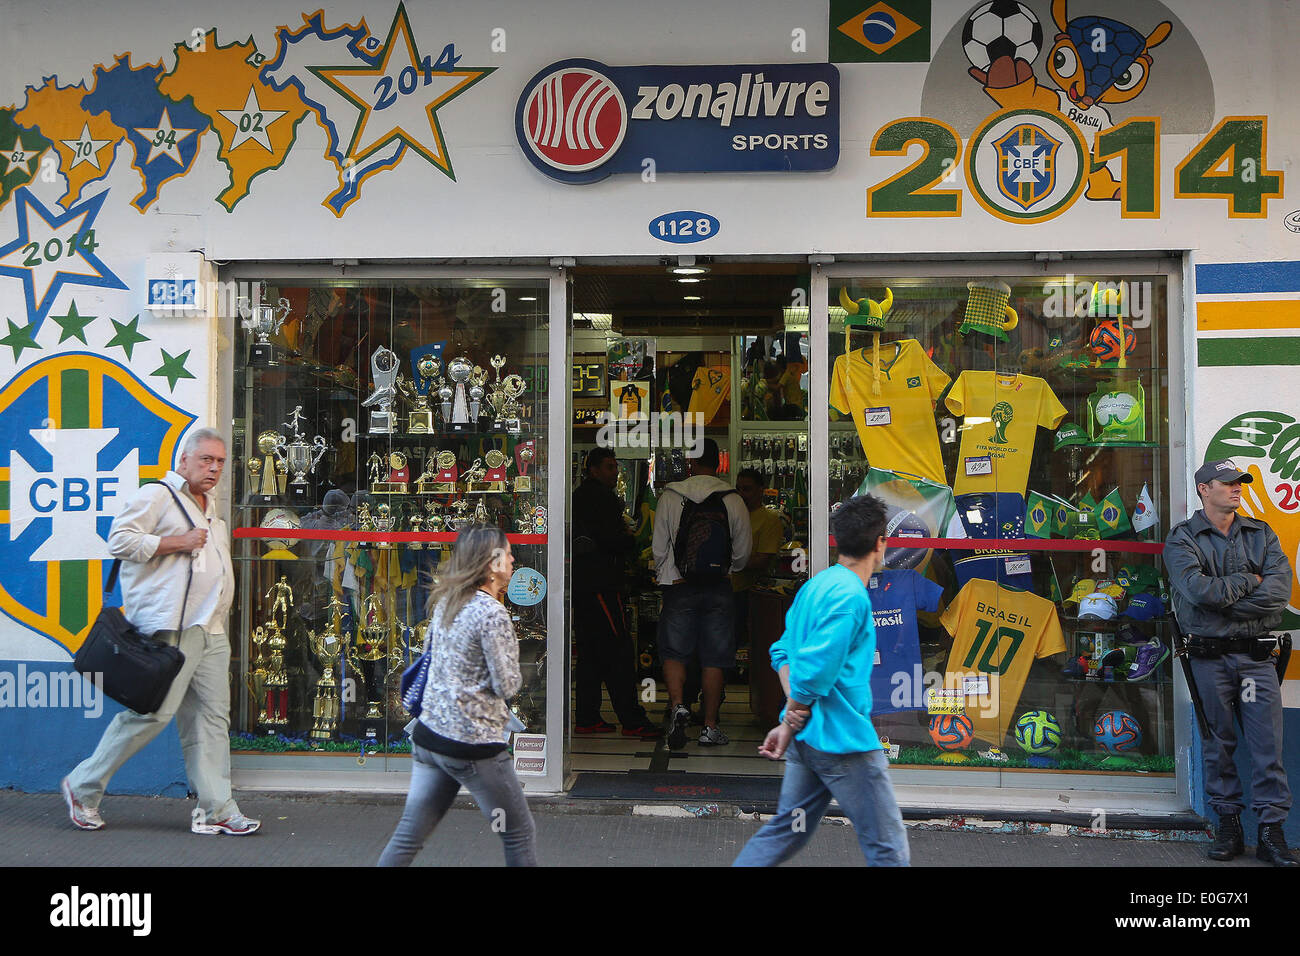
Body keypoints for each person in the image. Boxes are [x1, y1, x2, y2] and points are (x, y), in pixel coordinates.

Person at [61, 427, 260, 835]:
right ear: (183, 460)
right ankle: (82, 787)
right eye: (206, 459)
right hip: (171, 630)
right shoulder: (157, 496)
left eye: (220, 461)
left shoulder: (209, 505)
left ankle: (216, 809)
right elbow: (120, 540)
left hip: (211, 630)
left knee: (210, 719)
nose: (214, 468)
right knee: (152, 715)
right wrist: (177, 541)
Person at [733, 494, 909, 867]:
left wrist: (790, 719)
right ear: (880, 544)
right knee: (887, 847)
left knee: (786, 832)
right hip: (843, 743)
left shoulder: (816, 586)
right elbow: (814, 671)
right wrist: (794, 712)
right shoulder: (851, 597)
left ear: (838, 540)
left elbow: (783, 652)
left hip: (807, 740)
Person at [1164, 458, 1298, 866]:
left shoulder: (1261, 534)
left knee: (1266, 749)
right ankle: (1229, 827)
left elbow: (1277, 596)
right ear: (1204, 489)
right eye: (1227, 483)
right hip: (1208, 659)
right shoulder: (1183, 539)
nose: (1236, 488)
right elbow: (1198, 593)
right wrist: (1249, 583)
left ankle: (1272, 833)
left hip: (1256, 660)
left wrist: (1228, 601)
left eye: (1239, 482)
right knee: (1218, 745)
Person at [378, 524, 537, 866]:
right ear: (493, 562)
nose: (512, 558)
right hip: (473, 746)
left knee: (409, 835)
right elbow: (507, 685)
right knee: (518, 833)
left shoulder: (447, 600)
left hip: (429, 738)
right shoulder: (492, 613)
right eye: (507, 552)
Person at [652, 438, 751, 749]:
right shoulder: (732, 499)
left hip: (679, 587)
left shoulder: (671, 495)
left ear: (690, 463)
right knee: (715, 657)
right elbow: (743, 552)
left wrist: (670, 573)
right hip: (718, 587)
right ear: (718, 463)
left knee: (674, 651)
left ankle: (678, 706)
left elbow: (658, 548)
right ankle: (709, 726)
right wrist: (726, 569)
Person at [572, 448, 661, 738]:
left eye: (615, 467)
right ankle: (632, 719)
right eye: (610, 467)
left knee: (590, 654)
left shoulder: (580, 496)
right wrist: (630, 539)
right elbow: (612, 540)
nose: (615, 472)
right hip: (601, 584)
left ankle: (587, 716)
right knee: (618, 651)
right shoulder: (601, 499)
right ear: (593, 469)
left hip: (584, 584)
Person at [731, 468, 784, 649]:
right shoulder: (731, 516)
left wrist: (728, 564)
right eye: (738, 489)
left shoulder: (770, 520)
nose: (741, 494)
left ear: (760, 490)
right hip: (725, 590)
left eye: (747, 489)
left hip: (748, 594)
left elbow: (763, 560)